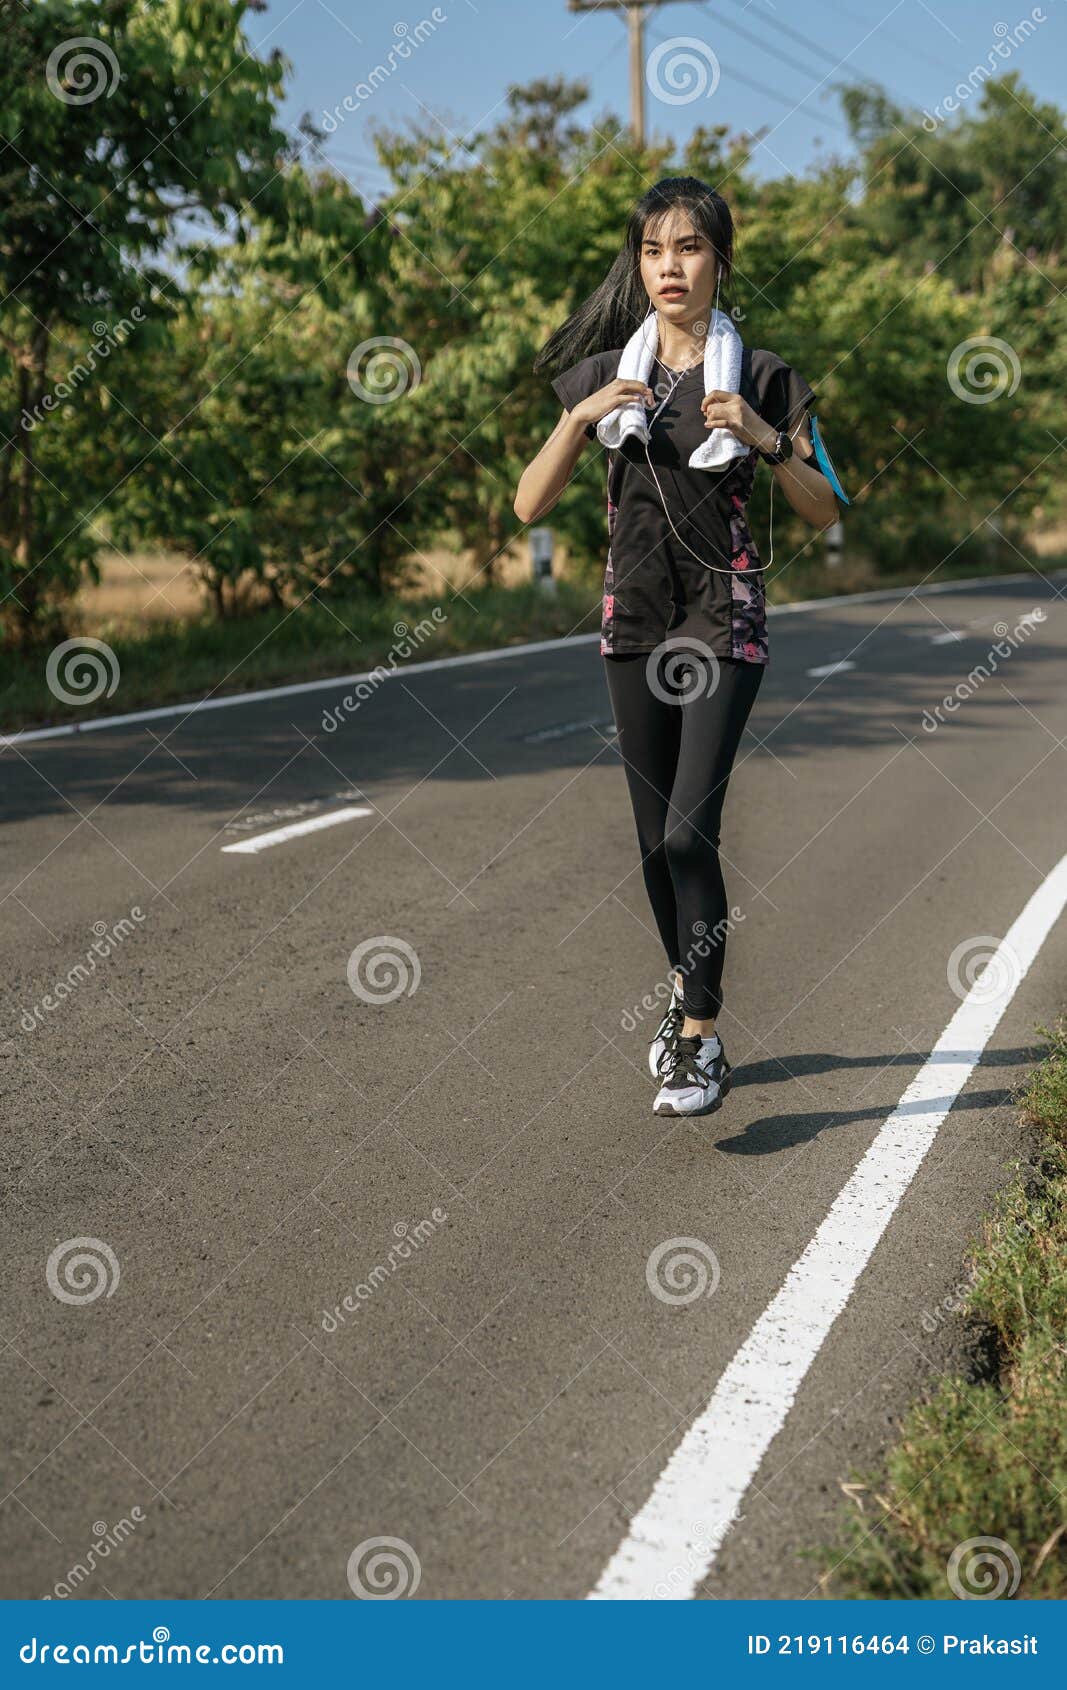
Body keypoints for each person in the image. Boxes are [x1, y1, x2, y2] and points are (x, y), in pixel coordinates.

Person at [514, 176, 840, 1119]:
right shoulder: (605, 379)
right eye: (654, 250)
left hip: (723, 620)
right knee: (652, 845)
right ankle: (689, 1011)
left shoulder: (766, 377)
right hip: (633, 623)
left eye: (689, 248)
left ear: (718, 260)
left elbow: (820, 514)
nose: (670, 267)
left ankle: (698, 1035)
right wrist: (579, 419)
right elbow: (528, 504)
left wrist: (770, 440)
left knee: (689, 832)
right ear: (638, 263)